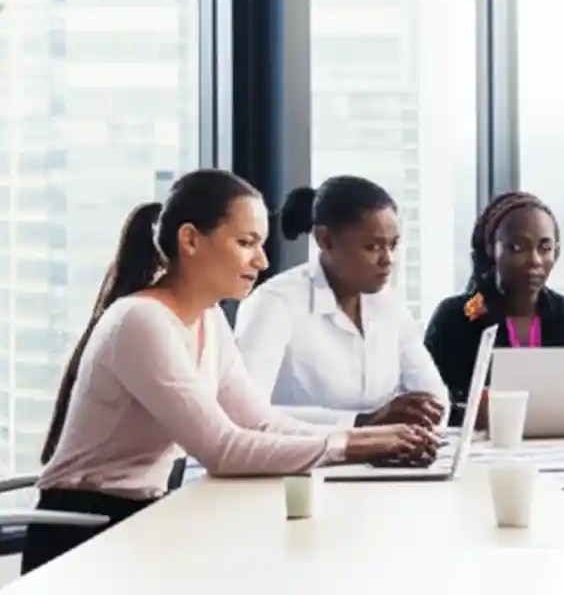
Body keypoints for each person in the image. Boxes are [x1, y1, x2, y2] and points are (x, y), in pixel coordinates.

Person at [26, 171, 434, 574]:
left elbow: (260, 423)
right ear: (190, 240)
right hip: (87, 532)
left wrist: (369, 438)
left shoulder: (210, 318)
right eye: (246, 243)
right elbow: (221, 449)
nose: (262, 261)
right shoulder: (141, 320)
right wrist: (354, 445)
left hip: (142, 517)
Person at [236, 176, 449, 427]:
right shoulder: (275, 303)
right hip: (301, 452)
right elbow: (244, 414)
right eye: (372, 247)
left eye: (393, 245)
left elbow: (435, 397)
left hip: (384, 451)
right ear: (325, 240)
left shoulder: (389, 305)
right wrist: (360, 422)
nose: (388, 259)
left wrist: (423, 416)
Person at [425, 191, 564, 428]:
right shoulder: (457, 317)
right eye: (517, 247)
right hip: (484, 448)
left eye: (545, 247)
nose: (535, 260)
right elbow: (428, 408)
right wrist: (470, 414)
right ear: (491, 248)